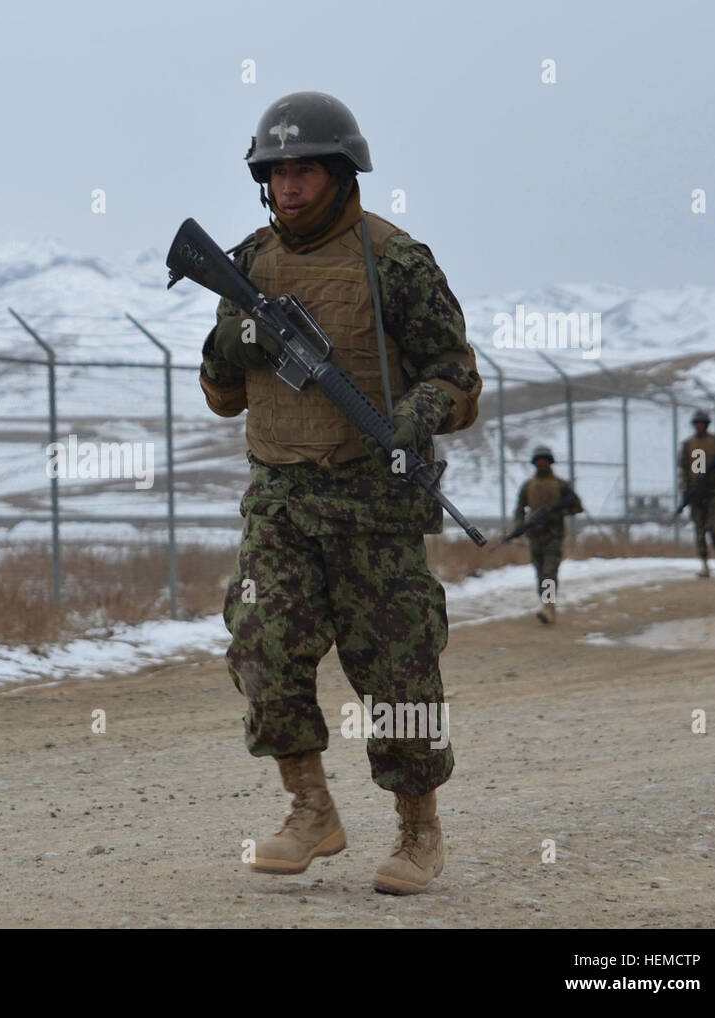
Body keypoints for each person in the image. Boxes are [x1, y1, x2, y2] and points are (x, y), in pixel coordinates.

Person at [198, 91, 483, 894]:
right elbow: (221, 393)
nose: (290, 186)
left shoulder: (393, 261)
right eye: (277, 171)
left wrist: (414, 415)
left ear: (340, 171)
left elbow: (458, 375)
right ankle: (311, 810)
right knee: (262, 647)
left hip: (374, 506)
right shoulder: (248, 264)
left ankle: (419, 830)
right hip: (281, 503)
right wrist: (236, 338)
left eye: (306, 170)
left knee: (397, 674)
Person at [513, 446, 583, 624]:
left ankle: (549, 607)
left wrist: (557, 513)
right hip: (535, 536)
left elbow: (576, 507)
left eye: (544, 460)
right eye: (538, 461)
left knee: (549, 572)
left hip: (554, 536)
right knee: (540, 574)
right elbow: (519, 509)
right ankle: (546, 602)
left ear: (550, 462)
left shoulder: (561, 485)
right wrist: (519, 527)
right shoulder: (528, 486)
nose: (541, 463)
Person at [678, 410, 715, 577]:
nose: (700, 426)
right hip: (696, 494)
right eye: (697, 423)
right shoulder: (688, 444)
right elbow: (684, 470)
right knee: (699, 530)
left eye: (702, 423)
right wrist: (686, 492)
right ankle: (705, 565)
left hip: (713, 493)